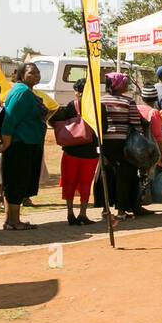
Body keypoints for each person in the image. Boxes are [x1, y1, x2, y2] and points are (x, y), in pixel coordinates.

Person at [95, 72, 150, 221]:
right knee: (124, 175)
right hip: (123, 143)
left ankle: (105, 210)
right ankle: (121, 210)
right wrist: (141, 139)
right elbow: (135, 122)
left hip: (105, 142)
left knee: (106, 175)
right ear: (119, 85)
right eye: (125, 83)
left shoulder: (100, 100)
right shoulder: (128, 101)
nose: (127, 85)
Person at [0, 62, 47, 230]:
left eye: (38, 72)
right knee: (16, 182)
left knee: (14, 182)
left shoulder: (26, 91)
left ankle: (10, 220)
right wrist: (6, 141)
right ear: (21, 75)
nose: (36, 75)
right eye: (31, 73)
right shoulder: (22, 92)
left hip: (27, 143)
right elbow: (10, 119)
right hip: (21, 144)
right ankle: (14, 221)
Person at [48, 78, 100, 226]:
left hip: (70, 152)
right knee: (85, 184)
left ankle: (70, 213)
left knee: (69, 183)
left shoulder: (70, 106)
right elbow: (104, 128)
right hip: (90, 153)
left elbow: (52, 120)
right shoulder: (97, 108)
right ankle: (83, 213)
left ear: (76, 92)